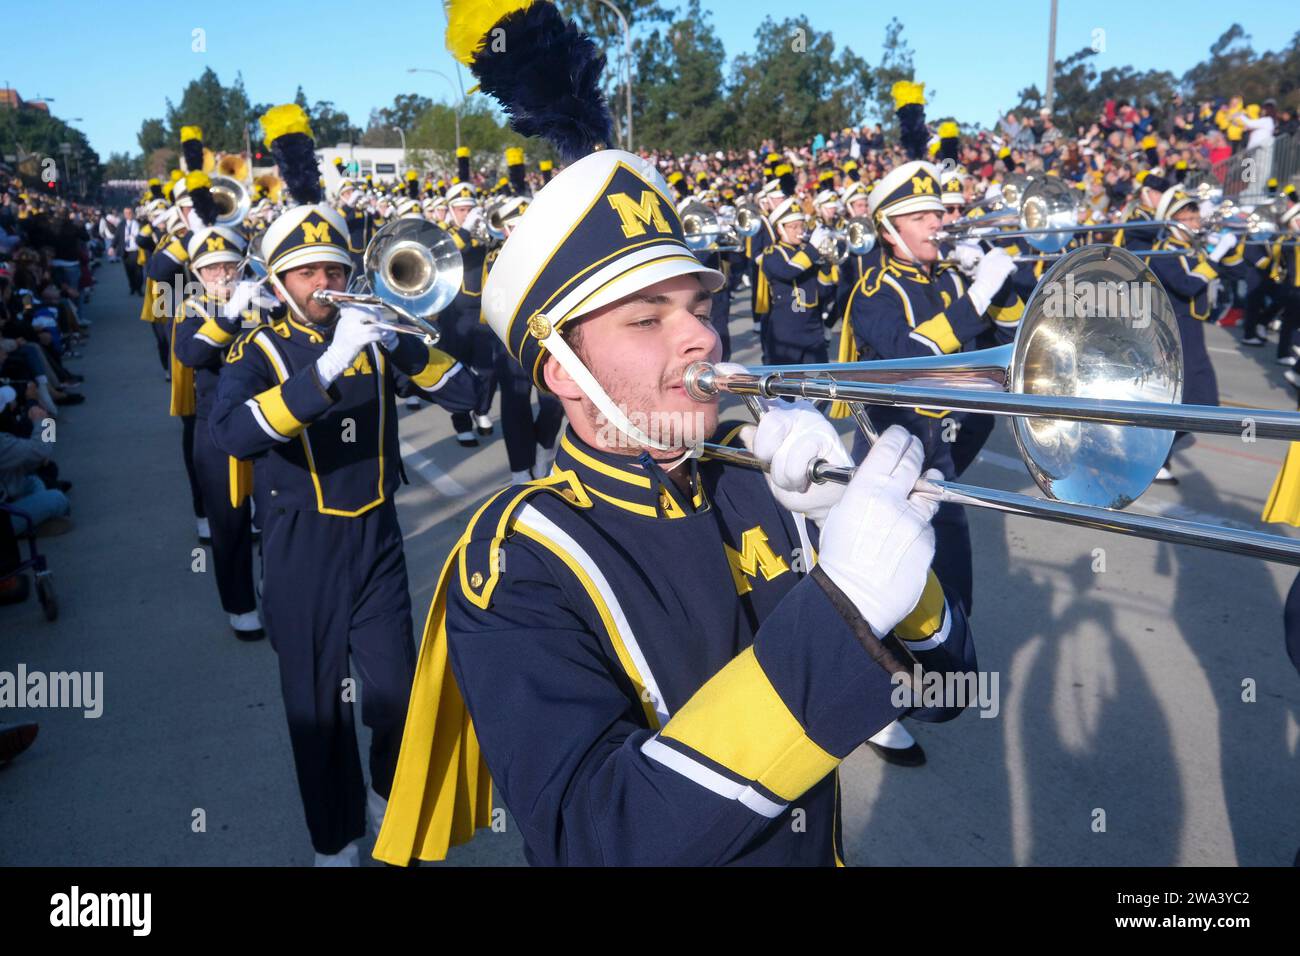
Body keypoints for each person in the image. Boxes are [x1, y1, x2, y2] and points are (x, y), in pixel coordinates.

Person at [376, 147, 977, 868]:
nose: (702, 335)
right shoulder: (520, 559)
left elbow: (949, 691)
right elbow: (596, 836)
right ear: (563, 370)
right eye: (646, 319)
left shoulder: (757, 478)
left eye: (697, 307)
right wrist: (842, 606)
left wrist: (859, 537)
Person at [209, 103, 481, 866]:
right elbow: (231, 433)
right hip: (301, 548)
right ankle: (335, 841)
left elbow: (468, 397)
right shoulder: (256, 350)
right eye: (308, 272)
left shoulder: (373, 326)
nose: (325, 283)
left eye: (334, 268)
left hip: (378, 539)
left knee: (397, 695)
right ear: (281, 280)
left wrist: (406, 343)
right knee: (318, 710)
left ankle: (386, 793)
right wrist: (326, 369)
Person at [172, 225, 265, 639]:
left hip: (269, 421)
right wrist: (230, 315)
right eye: (211, 269)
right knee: (229, 522)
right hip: (216, 429)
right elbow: (191, 353)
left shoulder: (262, 300)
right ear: (196, 273)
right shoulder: (190, 308)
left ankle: (277, 588)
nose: (223, 275)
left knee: (280, 517)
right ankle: (241, 604)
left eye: (229, 265)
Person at [1147, 185, 1240, 482]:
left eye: (1194, 215)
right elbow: (1187, 285)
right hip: (1173, 328)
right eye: (1188, 217)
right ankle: (1157, 458)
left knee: (1204, 399)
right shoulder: (1160, 253)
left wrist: (1229, 249)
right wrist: (1215, 256)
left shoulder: (1190, 248)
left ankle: (1158, 453)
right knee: (1181, 397)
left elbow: (1234, 274)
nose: (1195, 222)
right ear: (1171, 220)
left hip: (1192, 327)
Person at [116, 207, 143, 295]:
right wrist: (112, 247)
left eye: (129, 213)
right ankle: (132, 287)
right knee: (129, 270)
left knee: (138, 271)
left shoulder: (137, 223)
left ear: (133, 213)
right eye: (126, 213)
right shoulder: (121, 224)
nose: (128, 215)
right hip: (125, 251)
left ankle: (139, 288)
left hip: (135, 250)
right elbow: (117, 236)